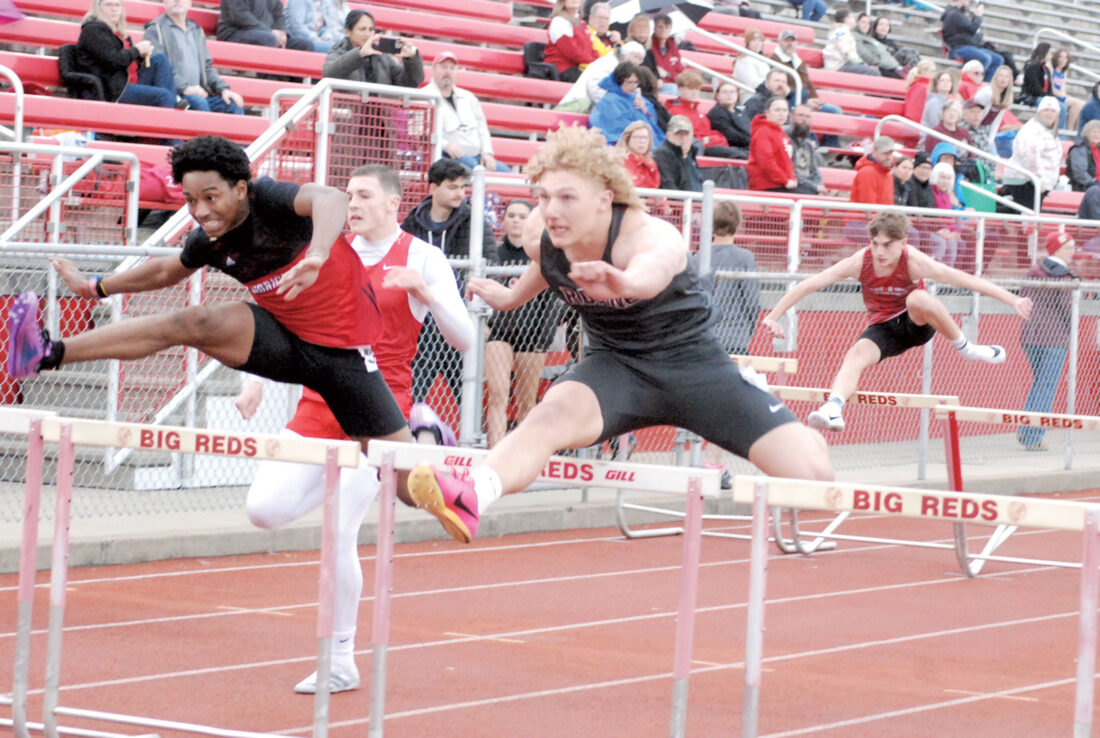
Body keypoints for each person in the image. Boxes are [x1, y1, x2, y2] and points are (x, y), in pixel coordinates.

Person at [405, 124, 833, 544]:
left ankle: (803, 436)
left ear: (604, 200)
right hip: (615, 369)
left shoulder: (646, 235)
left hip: (695, 370)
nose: (552, 209)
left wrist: (624, 284)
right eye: (544, 196)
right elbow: (547, 263)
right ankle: (471, 495)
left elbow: (656, 268)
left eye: (567, 197)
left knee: (814, 484)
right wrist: (512, 296)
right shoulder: (543, 230)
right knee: (547, 417)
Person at [8, 137, 414, 466]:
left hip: (344, 356)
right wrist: (96, 287)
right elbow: (167, 272)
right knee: (193, 321)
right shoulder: (209, 241)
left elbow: (331, 198)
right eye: (190, 200)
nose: (200, 211)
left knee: (405, 477)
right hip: (285, 343)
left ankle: (430, 442)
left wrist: (318, 253)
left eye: (211, 197)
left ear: (240, 189)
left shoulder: (268, 198)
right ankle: (45, 353)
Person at [235, 164, 473, 694]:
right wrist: (255, 380)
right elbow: (281, 320)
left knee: (339, 535)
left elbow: (466, 341)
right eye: (346, 195)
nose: (352, 203)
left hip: (379, 417)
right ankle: (423, 440)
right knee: (264, 511)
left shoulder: (422, 256)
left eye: (363, 195)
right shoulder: (325, 250)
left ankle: (340, 659)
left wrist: (428, 295)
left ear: (393, 203)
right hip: (317, 406)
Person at [762, 210, 1033, 433]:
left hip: (916, 324)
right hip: (885, 328)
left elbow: (967, 280)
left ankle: (967, 348)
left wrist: (1013, 300)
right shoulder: (860, 262)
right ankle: (833, 408)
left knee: (919, 298)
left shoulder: (914, 262)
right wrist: (773, 317)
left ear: (903, 243)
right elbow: (809, 285)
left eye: (887, 245)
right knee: (856, 353)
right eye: (875, 244)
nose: (880, 252)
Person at [401, 158, 496, 412]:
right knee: (413, 393)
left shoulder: (475, 223)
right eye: (452, 187)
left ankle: (472, 444)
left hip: (458, 318)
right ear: (432, 188)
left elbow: (491, 269)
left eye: (462, 187)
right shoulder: (411, 224)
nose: (460, 193)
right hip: (421, 325)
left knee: (468, 398)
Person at [484, 199, 565, 447]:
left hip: (532, 334)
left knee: (525, 402)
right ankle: (494, 453)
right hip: (500, 330)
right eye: (511, 215)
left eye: (522, 216)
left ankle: (521, 453)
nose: (516, 220)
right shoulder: (495, 254)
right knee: (497, 394)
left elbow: (552, 301)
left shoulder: (540, 254)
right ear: (503, 220)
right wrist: (487, 325)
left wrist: (544, 334)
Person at [1017, 231, 1076, 451]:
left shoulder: (1034, 271)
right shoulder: (1065, 276)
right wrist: (1074, 334)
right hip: (1055, 338)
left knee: (1039, 383)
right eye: (1071, 248)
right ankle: (1032, 436)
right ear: (1060, 249)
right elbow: (1068, 310)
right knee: (1046, 385)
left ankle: (1026, 429)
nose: (1073, 252)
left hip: (1030, 336)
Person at [143, 0, 245, 115]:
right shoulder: (155, 30)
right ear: (164, 2)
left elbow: (207, 68)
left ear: (190, 3)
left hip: (201, 94)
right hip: (176, 96)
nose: (177, 0)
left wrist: (224, 89)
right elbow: (159, 70)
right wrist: (185, 88)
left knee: (232, 105)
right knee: (199, 102)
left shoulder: (196, 30)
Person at [75, 0, 177, 109]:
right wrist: (136, 50)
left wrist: (140, 56)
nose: (114, 9)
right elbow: (113, 60)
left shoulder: (120, 33)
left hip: (127, 81)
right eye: (109, 4)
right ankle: (170, 112)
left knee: (160, 59)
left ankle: (172, 103)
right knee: (164, 96)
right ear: (98, 8)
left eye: (117, 5)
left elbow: (129, 62)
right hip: (111, 88)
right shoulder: (92, 30)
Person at [424, 52, 508, 172]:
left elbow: (482, 128)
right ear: (433, 69)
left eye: (452, 68)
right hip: (446, 157)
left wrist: (487, 152)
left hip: (476, 156)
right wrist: (446, 145)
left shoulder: (469, 97)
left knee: (508, 175)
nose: (448, 72)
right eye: (443, 67)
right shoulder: (423, 96)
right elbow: (419, 132)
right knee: (477, 173)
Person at [695, 199, 759, 356]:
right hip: (735, 336)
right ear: (737, 224)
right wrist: (748, 330)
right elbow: (753, 301)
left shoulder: (697, 258)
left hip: (702, 337)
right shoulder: (744, 258)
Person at [321, 9, 422, 88]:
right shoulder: (339, 50)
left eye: (370, 29)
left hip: (379, 113)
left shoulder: (382, 55)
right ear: (348, 31)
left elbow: (410, 82)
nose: (367, 34)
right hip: (349, 113)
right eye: (362, 29)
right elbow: (329, 73)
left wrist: (412, 58)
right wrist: (360, 54)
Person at [1001, 96, 1062, 217]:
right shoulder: (1033, 129)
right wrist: (1039, 180)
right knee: (1026, 221)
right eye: (1046, 110)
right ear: (1039, 112)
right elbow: (1031, 157)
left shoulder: (1048, 131)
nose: (1049, 114)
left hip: (1036, 184)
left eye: (1053, 111)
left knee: (1028, 219)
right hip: (1027, 182)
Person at [665, 71, 746, 159]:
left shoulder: (699, 113)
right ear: (680, 89)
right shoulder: (674, 112)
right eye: (691, 88)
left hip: (711, 147)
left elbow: (710, 133)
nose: (695, 92)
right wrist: (706, 140)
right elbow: (685, 138)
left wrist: (715, 139)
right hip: (699, 150)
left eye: (697, 89)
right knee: (740, 155)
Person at [555, 41, 646, 113]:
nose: (637, 61)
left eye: (640, 59)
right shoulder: (607, 63)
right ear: (624, 54)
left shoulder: (628, 70)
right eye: (635, 56)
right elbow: (595, 89)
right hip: (579, 107)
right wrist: (615, 108)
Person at [588, 61, 664, 147]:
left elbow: (653, 124)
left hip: (646, 143)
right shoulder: (610, 101)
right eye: (630, 82)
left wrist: (645, 110)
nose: (634, 86)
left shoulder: (638, 99)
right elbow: (615, 128)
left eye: (636, 82)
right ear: (619, 81)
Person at [216, 0, 314, 51]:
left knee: (305, 45)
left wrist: (281, 32)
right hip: (234, 32)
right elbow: (240, 16)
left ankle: (297, 86)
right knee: (269, 39)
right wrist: (270, 32)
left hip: (266, 33)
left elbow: (279, 15)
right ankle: (269, 82)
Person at [940, 0, 1001, 81]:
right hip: (957, 49)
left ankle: (985, 84)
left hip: (967, 46)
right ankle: (975, 83)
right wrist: (978, 16)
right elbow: (972, 29)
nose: (969, 2)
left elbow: (968, 34)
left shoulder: (958, 13)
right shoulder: (954, 14)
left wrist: (980, 37)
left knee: (998, 59)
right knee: (985, 58)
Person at [748, 96, 798, 193]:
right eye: (777, 110)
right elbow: (766, 162)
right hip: (767, 186)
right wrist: (785, 180)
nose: (781, 114)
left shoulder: (780, 133)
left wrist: (791, 178)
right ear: (767, 112)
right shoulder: (763, 132)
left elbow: (786, 161)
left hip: (782, 184)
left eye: (784, 110)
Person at [544, 0, 598, 83]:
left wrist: (598, 60)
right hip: (560, 69)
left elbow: (589, 48)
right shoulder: (558, 22)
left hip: (576, 68)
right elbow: (573, 52)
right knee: (592, 81)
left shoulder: (581, 24)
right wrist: (594, 60)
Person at [823, 9, 879, 77]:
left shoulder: (838, 31)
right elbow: (847, 52)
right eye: (852, 17)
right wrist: (862, 63)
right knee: (874, 72)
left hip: (836, 64)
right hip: (838, 65)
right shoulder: (843, 32)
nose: (854, 19)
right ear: (847, 19)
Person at [928, 161, 964, 267]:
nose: (946, 181)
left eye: (949, 178)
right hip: (933, 230)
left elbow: (950, 219)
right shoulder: (930, 192)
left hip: (945, 231)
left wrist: (954, 232)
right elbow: (932, 215)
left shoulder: (947, 196)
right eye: (943, 177)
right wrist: (942, 230)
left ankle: (950, 275)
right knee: (942, 243)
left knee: (955, 242)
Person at [654, 115, 703, 192]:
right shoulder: (662, 154)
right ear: (668, 135)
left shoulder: (690, 153)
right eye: (678, 134)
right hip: (681, 202)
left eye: (686, 134)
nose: (683, 138)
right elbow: (668, 186)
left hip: (696, 200)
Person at [789, 104, 826, 196]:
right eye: (800, 115)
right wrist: (815, 188)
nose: (804, 119)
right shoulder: (783, 138)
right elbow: (789, 172)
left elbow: (815, 171)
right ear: (791, 117)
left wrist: (819, 186)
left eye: (807, 116)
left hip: (808, 189)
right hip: (792, 188)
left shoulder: (808, 144)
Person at [643, 14, 685, 94]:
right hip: (655, 86)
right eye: (660, 27)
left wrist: (667, 74)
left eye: (667, 27)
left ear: (671, 29)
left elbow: (681, 74)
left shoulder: (674, 49)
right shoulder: (648, 46)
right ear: (654, 29)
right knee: (673, 89)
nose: (663, 30)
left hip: (672, 85)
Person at [850, 136, 897, 205]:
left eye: (890, 153)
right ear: (874, 151)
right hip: (868, 215)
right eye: (885, 153)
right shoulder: (867, 172)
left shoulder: (887, 174)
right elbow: (868, 206)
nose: (888, 156)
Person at [854, 12, 903, 78]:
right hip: (880, 71)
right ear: (875, 26)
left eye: (887, 25)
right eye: (881, 24)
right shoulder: (869, 41)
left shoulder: (892, 44)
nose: (884, 27)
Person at [706, 81, 752, 151]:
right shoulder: (717, 113)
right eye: (725, 92)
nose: (729, 95)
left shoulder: (740, 112)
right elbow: (731, 136)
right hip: (730, 149)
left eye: (732, 92)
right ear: (717, 95)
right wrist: (753, 141)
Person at [618, 120, 660, 189]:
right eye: (637, 137)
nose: (642, 141)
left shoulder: (652, 163)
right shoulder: (621, 161)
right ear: (627, 139)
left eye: (645, 138)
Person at [1051, 48, 1084, 133]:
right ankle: (1069, 130)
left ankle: (1075, 130)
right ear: (1056, 58)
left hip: (1060, 95)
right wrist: (1064, 96)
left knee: (1082, 105)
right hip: (1053, 95)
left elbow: (1063, 88)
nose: (1063, 60)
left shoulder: (1064, 72)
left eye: (1065, 57)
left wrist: (1065, 96)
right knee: (1078, 103)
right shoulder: (1051, 68)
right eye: (1060, 57)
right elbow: (1052, 89)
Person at [732, 28, 770, 93]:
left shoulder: (763, 61)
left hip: (763, 93)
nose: (757, 43)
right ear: (748, 43)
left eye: (760, 41)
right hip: (749, 95)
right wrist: (770, 86)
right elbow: (752, 83)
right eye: (754, 40)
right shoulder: (743, 60)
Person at [1068, 120, 1100, 192]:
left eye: (1099, 132)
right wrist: (1095, 184)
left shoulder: (1098, 148)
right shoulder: (1079, 149)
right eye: (1093, 132)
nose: (1096, 135)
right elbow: (1080, 173)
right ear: (1086, 133)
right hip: (1086, 188)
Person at [1020, 42, 1054, 107]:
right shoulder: (1031, 66)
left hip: (1043, 97)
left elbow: (1049, 88)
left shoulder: (1046, 69)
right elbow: (1034, 87)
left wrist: (1051, 97)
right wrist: (1047, 97)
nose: (1051, 55)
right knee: (1051, 105)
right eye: (1049, 53)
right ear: (1044, 52)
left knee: (1060, 105)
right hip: (1032, 96)